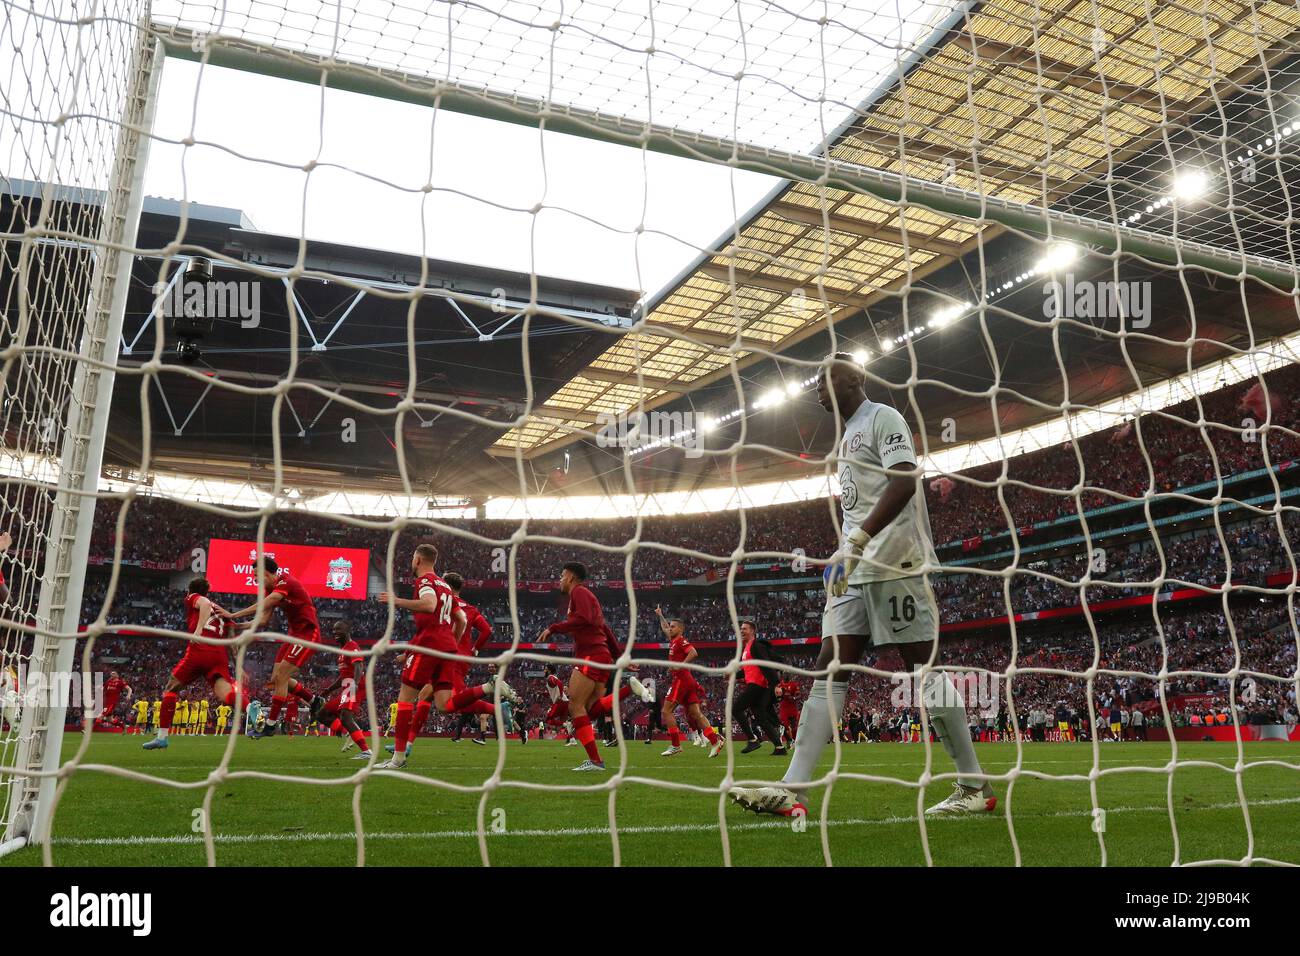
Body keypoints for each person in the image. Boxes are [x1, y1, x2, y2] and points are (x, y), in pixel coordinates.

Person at [731, 353, 993, 818]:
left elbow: (906, 480)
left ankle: (974, 785)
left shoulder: (882, 417)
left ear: (855, 379)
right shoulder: (848, 435)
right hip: (855, 567)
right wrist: (845, 552)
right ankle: (794, 789)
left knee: (923, 669)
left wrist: (857, 539)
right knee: (829, 666)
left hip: (895, 562)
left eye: (824, 378)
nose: (816, 387)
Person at [538, 562, 652, 771]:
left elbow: (585, 619)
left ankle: (596, 761)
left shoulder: (579, 593)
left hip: (589, 655)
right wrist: (620, 658)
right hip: (603, 656)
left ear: (571, 577)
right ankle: (629, 689)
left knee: (575, 705)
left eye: (562, 575)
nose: (560, 580)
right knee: (589, 710)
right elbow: (604, 629)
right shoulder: (589, 597)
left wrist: (554, 628)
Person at [222, 556, 324, 737]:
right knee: (277, 678)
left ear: (265, 572)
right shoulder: (269, 587)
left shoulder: (286, 581)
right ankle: (314, 700)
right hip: (294, 635)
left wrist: (234, 615)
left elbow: (269, 601)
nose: (254, 579)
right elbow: (262, 620)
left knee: (283, 676)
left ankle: (270, 725)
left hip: (308, 633)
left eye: (256, 575)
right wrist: (239, 626)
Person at [144, 578, 242, 751]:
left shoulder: (194, 598)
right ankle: (251, 710)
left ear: (190, 590)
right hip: (219, 654)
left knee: (170, 688)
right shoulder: (220, 611)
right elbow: (233, 637)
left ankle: (162, 738)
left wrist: (198, 630)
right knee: (226, 693)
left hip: (200, 649)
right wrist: (238, 664)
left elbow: (203, 603)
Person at [734, 620, 786, 756]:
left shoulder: (756, 646)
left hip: (757, 685)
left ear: (752, 631)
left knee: (735, 709)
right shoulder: (747, 649)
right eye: (741, 629)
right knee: (760, 717)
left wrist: (776, 684)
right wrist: (733, 675)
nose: (741, 631)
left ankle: (752, 740)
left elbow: (766, 665)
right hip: (756, 685)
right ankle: (780, 747)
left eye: (744, 629)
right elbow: (747, 670)